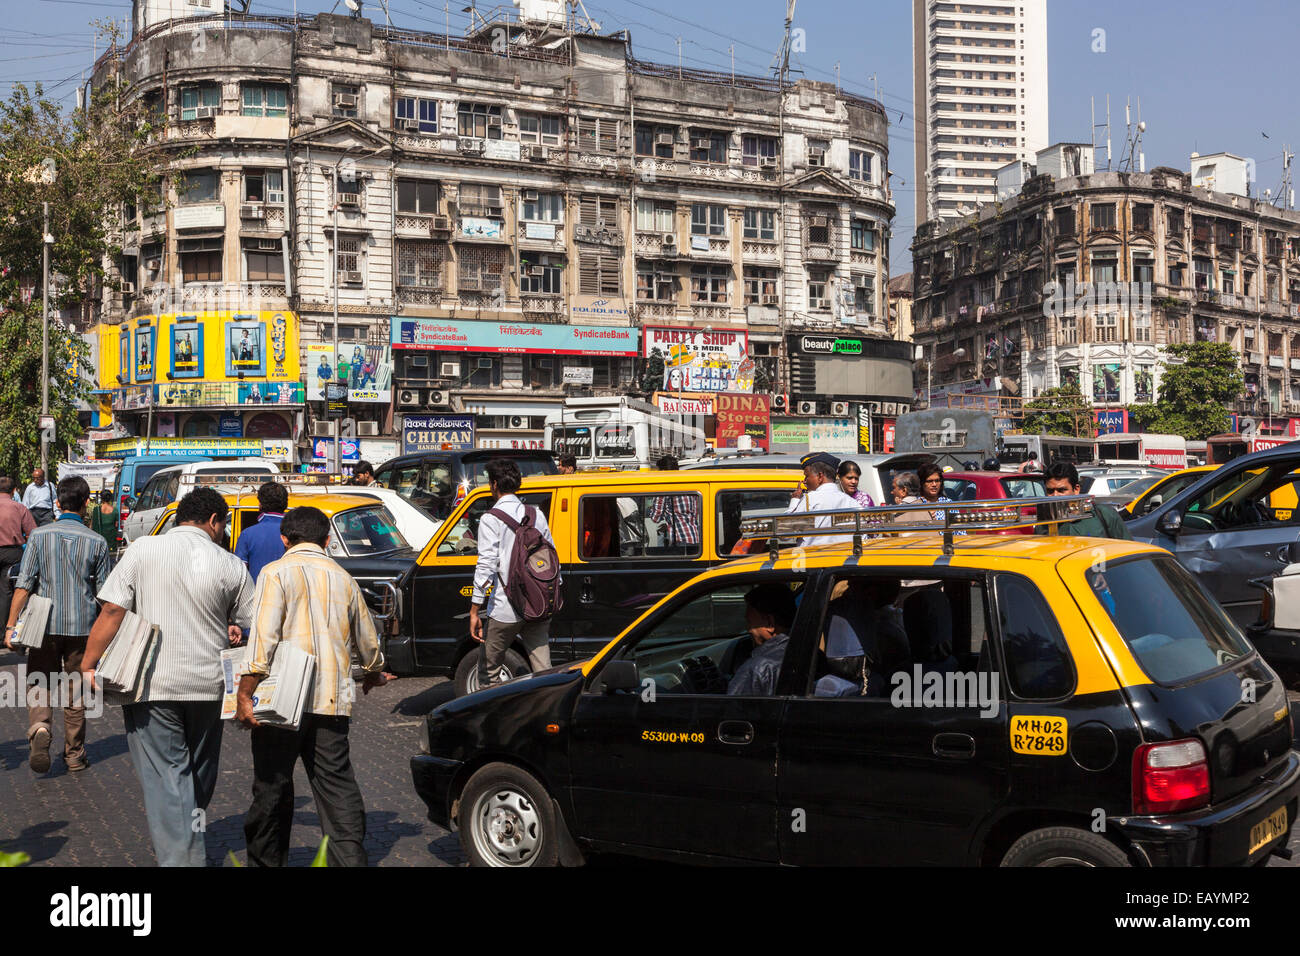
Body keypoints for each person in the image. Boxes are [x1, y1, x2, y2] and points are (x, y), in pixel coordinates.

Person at [82, 487, 257, 867]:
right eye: (223, 525)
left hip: (151, 682)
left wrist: (88, 663)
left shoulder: (143, 549)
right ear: (214, 521)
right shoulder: (230, 564)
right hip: (210, 685)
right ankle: (188, 839)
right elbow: (253, 622)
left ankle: (182, 859)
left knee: (168, 776)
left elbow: (112, 610)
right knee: (197, 773)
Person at [236, 506, 387, 867]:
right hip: (331, 702)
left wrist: (244, 692)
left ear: (285, 539)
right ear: (327, 539)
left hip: (279, 706)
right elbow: (368, 640)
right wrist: (372, 671)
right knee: (337, 790)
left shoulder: (274, 573)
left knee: (272, 789)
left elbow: (263, 640)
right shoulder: (342, 576)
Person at [4, 477, 110, 774]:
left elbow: (23, 586)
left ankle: (40, 728)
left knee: (39, 682)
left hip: (43, 625)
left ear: (58, 504)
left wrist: (11, 626)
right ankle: (74, 753)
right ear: (86, 503)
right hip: (83, 627)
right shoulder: (98, 542)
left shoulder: (38, 537)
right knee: (76, 689)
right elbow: (105, 596)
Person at [469, 459, 558, 686]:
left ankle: (492, 716)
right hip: (538, 602)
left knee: (488, 672)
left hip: (505, 607)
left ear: (494, 484)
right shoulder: (536, 514)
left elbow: (486, 565)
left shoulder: (490, 519)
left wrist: (474, 609)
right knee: (543, 670)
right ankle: (545, 711)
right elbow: (551, 555)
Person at [727, 583, 797, 696]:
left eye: (750, 622)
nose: (748, 629)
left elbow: (732, 711)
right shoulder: (813, 654)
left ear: (770, 623)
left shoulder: (755, 670)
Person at [784, 452, 864, 548]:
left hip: (815, 560)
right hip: (846, 560)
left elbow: (785, 533)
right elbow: (863, 538)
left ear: (820, 476)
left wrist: (794, 501)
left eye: (807, 476)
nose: (805, 480)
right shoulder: (853, 504)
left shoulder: (810, 500)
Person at [1039, 461, 1133, 540]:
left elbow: (1128, 552)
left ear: (1076, 489)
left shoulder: (1103, 515)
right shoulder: (1044, 522)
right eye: (1050, 491)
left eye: (1061, 490)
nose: (1055, 495)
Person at [0, 475, 36, 630]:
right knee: (7, 591)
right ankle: (4, 631)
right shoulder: (19, 508)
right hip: (12, 554)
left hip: (11, 552)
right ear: (14, 491)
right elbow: (33, 534)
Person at [235, 481, 289, 582]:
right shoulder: (296, 533)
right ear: (285, 504)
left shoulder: (247, 534)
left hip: (257, 595)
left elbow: (239, 574)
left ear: (260, 504)